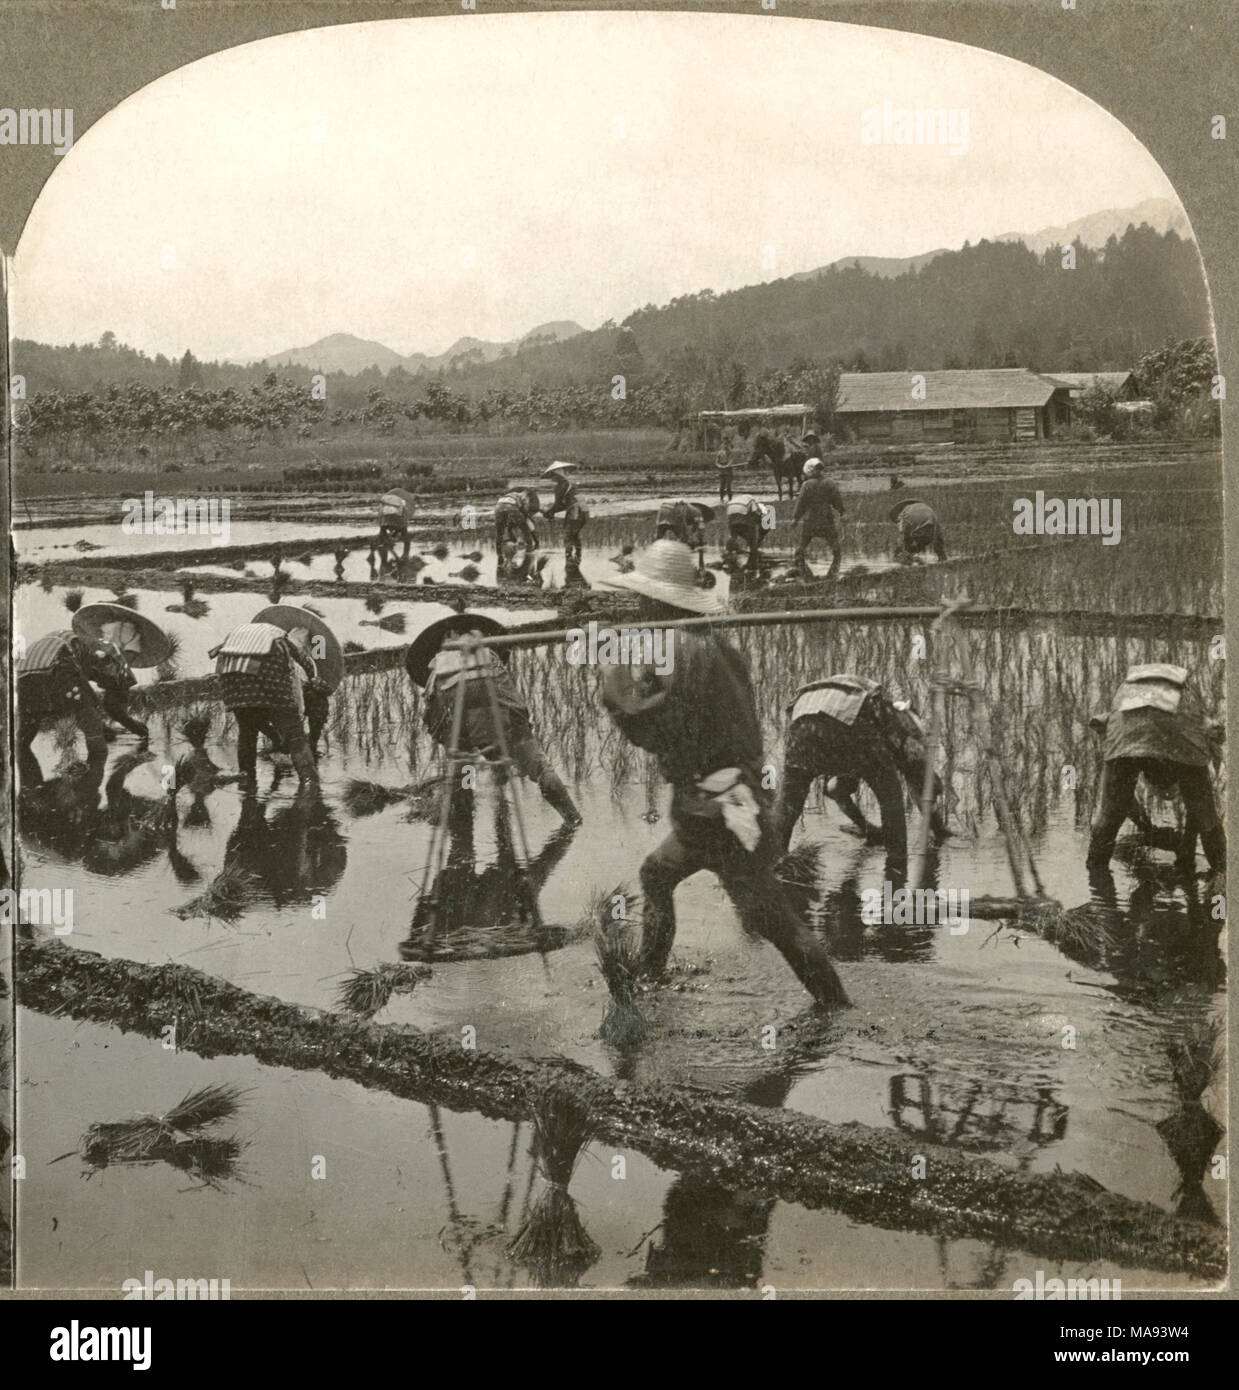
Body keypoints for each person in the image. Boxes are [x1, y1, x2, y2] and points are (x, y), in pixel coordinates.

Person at [600, 540, 848, 1007]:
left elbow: (657, 730)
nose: (636, 606)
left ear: (655, 600)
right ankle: (651, 979)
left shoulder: (679, 651)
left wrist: (616, 689)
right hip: (723, 801)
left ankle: (835, 1005)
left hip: (722, 810)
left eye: (641, 599)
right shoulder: (709, 646)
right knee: (656, 876)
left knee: (772, 919)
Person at [407, 612, 581, 825]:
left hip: (452, 705)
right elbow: (508, 705)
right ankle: (572, 819)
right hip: (496, 701)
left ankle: (464, 819)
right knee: (536, 763)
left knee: (464, 762)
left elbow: (435, 717)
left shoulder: (438, 664)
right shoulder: (487, 652)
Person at [774, 675, 947, 881]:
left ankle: (772, 862)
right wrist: (940, 830)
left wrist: (866, 828)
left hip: (801, 725)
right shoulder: (898, 720)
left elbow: (835, 789)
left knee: (788, 804)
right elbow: (922, 780)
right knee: (889, 794)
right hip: (846, 722)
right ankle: (897, 865)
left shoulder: (870, 718)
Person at [1086, 663, 1225, 873]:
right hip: (1181, 731)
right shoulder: (1198, 722)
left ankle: (1097, 884)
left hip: (1131, 732)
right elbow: (1199, 807)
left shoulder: (1114, 731)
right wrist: (1151, 830)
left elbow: (1117, 804)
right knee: (1206, 816)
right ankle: (1225, 880)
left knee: (1108, 817)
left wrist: (1183, 850)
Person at [16, 608, 164, 789]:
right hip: (59, 668)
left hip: (23, 673)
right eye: (132, 654)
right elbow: (112, 706)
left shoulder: (83, 639)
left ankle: (32, 797)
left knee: (24, 739)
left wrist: (104, 727)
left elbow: (85, 694)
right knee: (98, 748)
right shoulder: (112, 652)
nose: (130, 660)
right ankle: (88, 800)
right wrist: (136, 727)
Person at [212, 620, 320, 787]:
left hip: (232, 677)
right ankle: (309, 781)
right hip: (269, 673)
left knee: (247, 732)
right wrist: (314, 678)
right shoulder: (280, 637)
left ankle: (246, 778)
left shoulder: (240, 633)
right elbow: (306, 663)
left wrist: (274, 737)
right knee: (294, 733)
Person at [792, 458, 846, 579]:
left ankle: (801, 567)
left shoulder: (806, 485)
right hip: (826, 518)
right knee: (835, 548)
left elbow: (801, 503)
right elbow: (837, 500)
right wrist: (842, 512)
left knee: (802, 546)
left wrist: (795, 518)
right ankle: (834, 572)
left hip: (810, 518)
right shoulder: (829, 483)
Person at [542, 461, 589, 563]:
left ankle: (568, 559)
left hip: (575, 510)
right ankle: (578, 557)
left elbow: (558, 503)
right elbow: (564, 505)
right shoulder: (569, 484)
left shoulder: (560, 486)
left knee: (568, 535)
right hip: (584, 510)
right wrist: (552, 511)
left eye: (553, 475)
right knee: (574, 534)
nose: (552, 478)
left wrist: (549, 512)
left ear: (557, 475)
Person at [890, 496, 947, 561]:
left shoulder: (905, 511)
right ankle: (942, 559)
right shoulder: (926, 508)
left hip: (917, 531)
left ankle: (909, 559)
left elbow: (903, 535)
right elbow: (939, 534)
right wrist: (941, 552)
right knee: (933, 543)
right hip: (931, 529)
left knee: (907, 543)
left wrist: (897, 551)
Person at [725, 494, 771, 567]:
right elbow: (756, 514)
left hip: (730, 512)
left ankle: (729, 552)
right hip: (742, 513)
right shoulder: (752, 501)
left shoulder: (736, 500)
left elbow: (729, 519)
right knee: (752, 538)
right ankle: (753, 560)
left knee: (734, 535)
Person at [377, 488, 415, 562]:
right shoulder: (403, 503)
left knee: (382, 530)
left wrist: (393, 534)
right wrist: (395, 533)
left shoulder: (385, 501)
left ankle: (383, 548)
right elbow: (403, 522)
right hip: (396, 518)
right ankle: (405, 554)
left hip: (384, 517)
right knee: (406, 536)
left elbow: (380, 515)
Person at [714, 433, 735, 503]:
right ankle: (721, 498)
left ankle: (730, 498)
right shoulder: (719, 452)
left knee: (728, 486)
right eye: (724, 443)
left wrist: (728, 465)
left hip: (728, 470)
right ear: (722, 444)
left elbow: (731, 460)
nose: (725, 445)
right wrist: (719, 466)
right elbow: (716, 461)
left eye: (726, 444)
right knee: (721, 486)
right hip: (721, 471)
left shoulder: (730, 452)